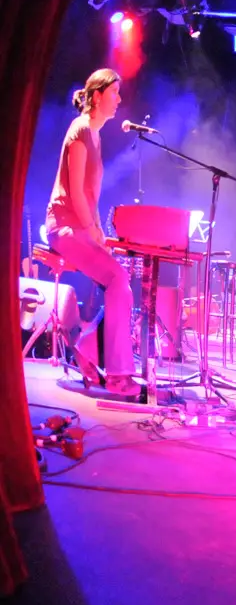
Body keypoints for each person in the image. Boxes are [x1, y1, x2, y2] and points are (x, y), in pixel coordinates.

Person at [44, 68, 136, 396]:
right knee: (118, 281)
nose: (119, 100)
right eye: (114, 93)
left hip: (80, 226)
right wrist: (90, 231)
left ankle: (88, 348)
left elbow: (91, 198)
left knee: (119, 283)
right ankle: (117, 374)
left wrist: (99, 233)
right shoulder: (81, 129)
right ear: (97, 97)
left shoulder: (95, 135)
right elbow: (74, 192)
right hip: (65, 227)